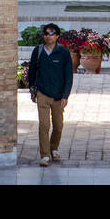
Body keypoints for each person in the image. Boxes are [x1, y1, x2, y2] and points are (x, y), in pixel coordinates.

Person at [28, 23, 73, 166]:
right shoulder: (38, 51)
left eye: (51, 33)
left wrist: (66, 95)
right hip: (42, 93)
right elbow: (32, 71)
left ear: (57, 36)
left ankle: (54, 148)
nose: (48, 36)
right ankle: (45, 155)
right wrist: (32, 90)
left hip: (58, 96)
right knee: (44, 125)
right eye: (46, 33)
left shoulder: (63, 53)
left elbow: (68, 75)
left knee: (58, 125)